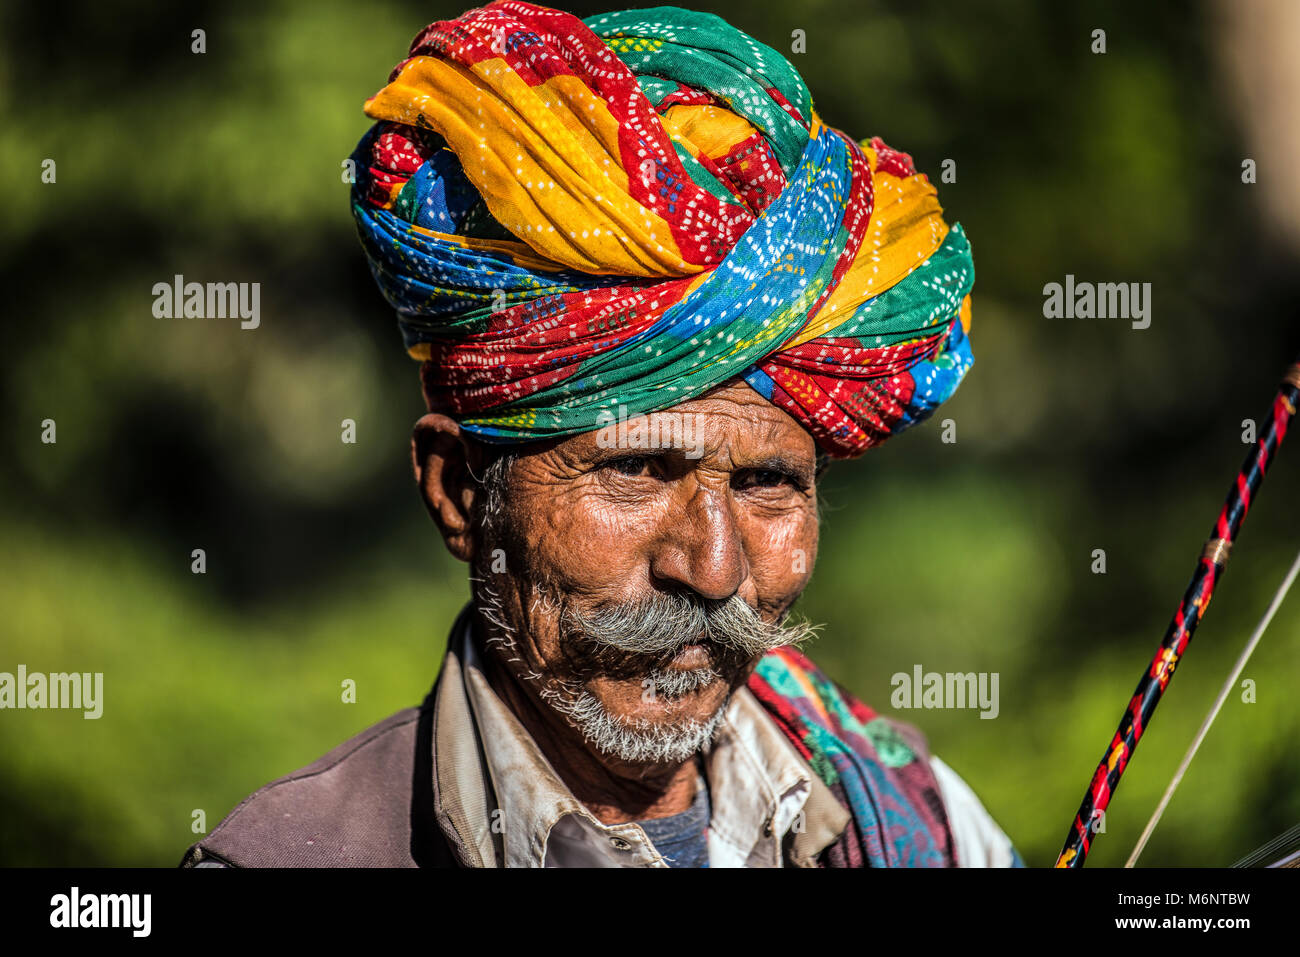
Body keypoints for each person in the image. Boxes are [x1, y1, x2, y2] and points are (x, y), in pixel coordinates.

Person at [181, 0, 1019, 868]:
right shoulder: (298, 857)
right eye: (638, 471)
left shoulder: (914, 818)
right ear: (461, 492)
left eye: (768, 483)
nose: (714, 568)